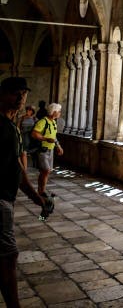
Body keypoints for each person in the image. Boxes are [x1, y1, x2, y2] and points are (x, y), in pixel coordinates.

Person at [0, 77, 50, 308]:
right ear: (2, 94)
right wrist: (36, 197)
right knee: (8, 255)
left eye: (23, 93)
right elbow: (17, 170)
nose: (20, 98)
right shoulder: (2, 126)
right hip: (0, 199)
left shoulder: (11, 125)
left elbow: (18, 168)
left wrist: (34, 197)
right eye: (14, 93)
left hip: (6, 198)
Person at [30, 103, 63, 197]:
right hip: (42, 150)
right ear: (54, 112)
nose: (60, 113)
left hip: (50, 150)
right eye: (59, 111)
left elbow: (54, 136)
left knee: (45, 172)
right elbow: (34, 134)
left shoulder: (53, 122)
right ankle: (41, 191)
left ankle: (41, 191)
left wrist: (58, 146)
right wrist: (45, 139)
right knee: (46, 170)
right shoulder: (43, 121)